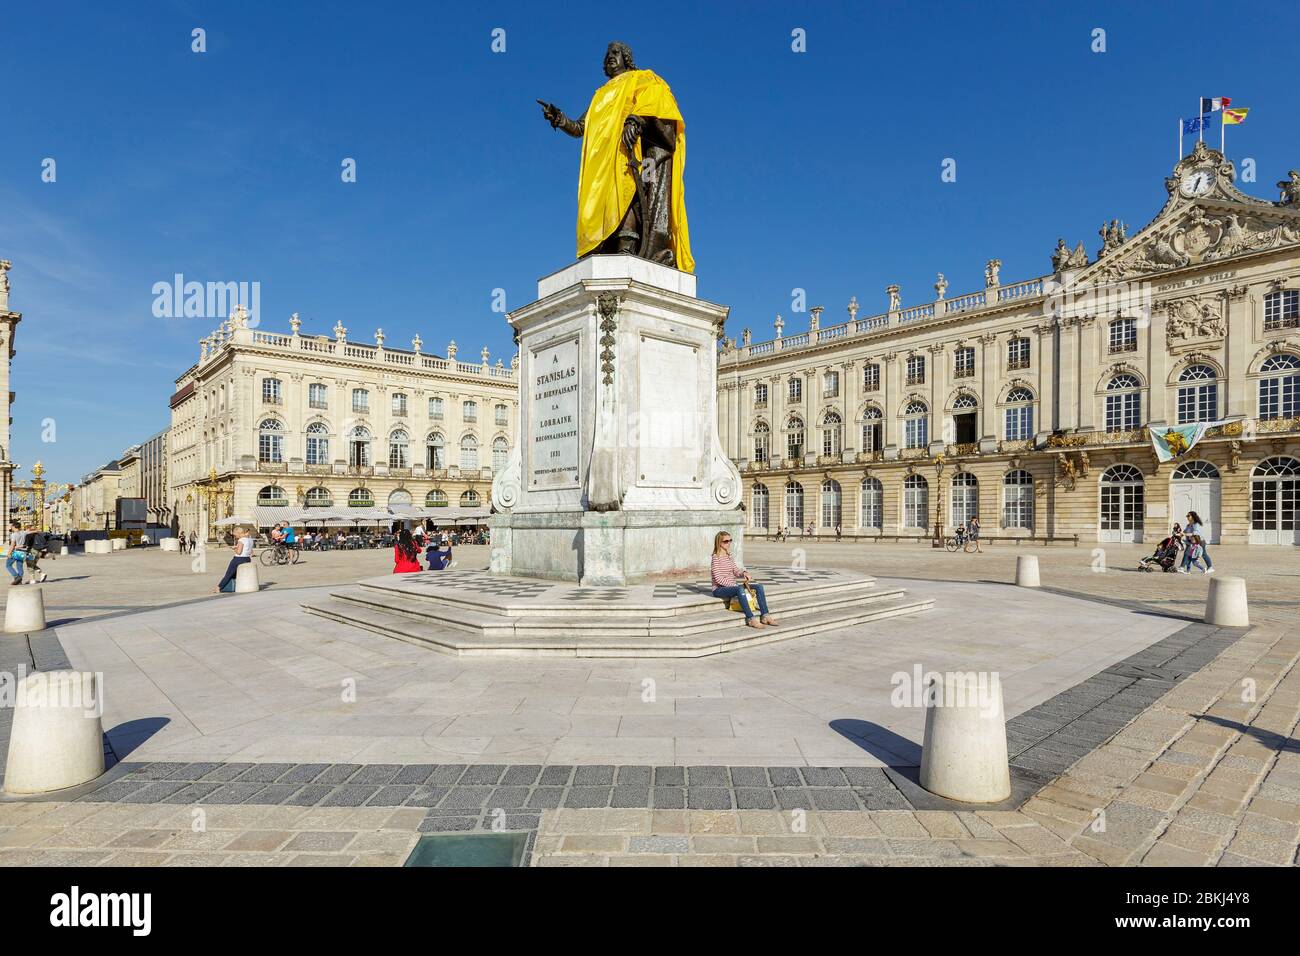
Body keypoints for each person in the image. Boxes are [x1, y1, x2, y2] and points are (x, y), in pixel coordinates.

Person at [710, 531, 776, 629]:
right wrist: (734, 586)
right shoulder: (715, 558)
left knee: (759, 587)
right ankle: (751, 619)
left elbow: (736, 571)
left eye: (730, 540)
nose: (729, 543)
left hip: (732, 586)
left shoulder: (729, 556)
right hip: (718, 589)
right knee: (739, 589)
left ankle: (765, 616)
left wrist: (744, 573)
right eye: (726, 541)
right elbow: (718, 579)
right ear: (719, 543)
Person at [215, 526, 255, 593]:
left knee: (229, 574)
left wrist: (234, 549)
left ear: (238, 533)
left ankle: (219, 587)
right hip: (247, 559)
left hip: (238, 559)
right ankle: (232, 586)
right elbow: (251, 552)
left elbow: (239, 552)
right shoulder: (250, 540)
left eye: (235, 535)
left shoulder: (241, 540)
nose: (235, 537)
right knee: (236, 574)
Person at [6, 520, 29, 585]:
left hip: (16, 552)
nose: (11, 528)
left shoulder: (14, 535)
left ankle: (16, 577)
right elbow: (31, 531)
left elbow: (12, 544)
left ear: (14, 527)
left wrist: (9, 553)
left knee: (8, 565)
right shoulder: (24, 533)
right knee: (19, 566)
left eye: (11, 527)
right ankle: (19, 581)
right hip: (23, 552)